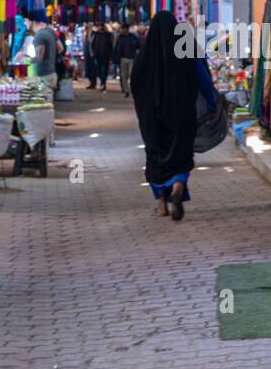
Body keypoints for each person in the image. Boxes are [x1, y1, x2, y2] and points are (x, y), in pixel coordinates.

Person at [131, 12, 217, 221]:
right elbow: (203, 77)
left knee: (155, 157)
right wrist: (212, 102)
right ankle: (178, 186)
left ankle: (162, 205)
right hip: (182, 114)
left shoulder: (145, 55)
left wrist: (145, 110)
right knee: (181, 155)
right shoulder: (186, 47)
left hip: (152, 119)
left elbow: (135, 86)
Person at [31, 19, 58, 92]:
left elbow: (39, 58)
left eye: (26, 20)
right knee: (48, 101)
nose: (25, 23)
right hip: (52, 73)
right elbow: (61, 48)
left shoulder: (39, 35)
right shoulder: (51, 32)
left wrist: (25, 59)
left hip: (43, 76)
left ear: (33, 21)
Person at [114, 23, 141, 97]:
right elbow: (117, 49)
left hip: (132, 58)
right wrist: (116, 59)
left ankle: (133, 89)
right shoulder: (120, 38)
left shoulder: (133, 37)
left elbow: (138, 46)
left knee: (131, 74)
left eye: (123, 29)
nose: (122, 30)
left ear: (126, 29)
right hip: (123, 59)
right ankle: (126, 91)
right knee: (124, 76)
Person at [91, 23, 115, 92]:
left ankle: (103, 83)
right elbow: (92, 44)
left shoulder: (109, 35)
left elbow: (111, 46)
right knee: (99, 70)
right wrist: (93, 53)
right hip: (98, 55)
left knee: (104, 70)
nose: (101, 28)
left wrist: (111, 56)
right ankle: (102, 82)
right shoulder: (96, 34)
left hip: (106, 55)